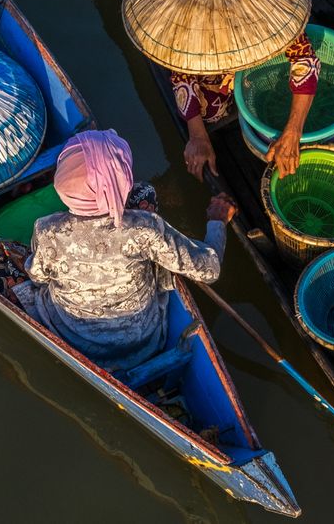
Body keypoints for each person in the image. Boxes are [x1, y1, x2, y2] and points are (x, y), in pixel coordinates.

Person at [19, 129, 238, 372]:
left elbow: (37, 277)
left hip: (74, 341)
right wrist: (217, 221)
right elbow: (210, 269)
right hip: (143, 342)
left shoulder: (47, 230)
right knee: (145, 193)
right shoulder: (144, 227)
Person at [172, 29, 320, 181]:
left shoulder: (268, 14)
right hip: (212, 62)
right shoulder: (190, 29)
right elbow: (181, 74)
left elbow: (304, 57)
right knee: (210, 112)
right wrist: (197, 136)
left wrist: (293, 132)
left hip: (258, 49)